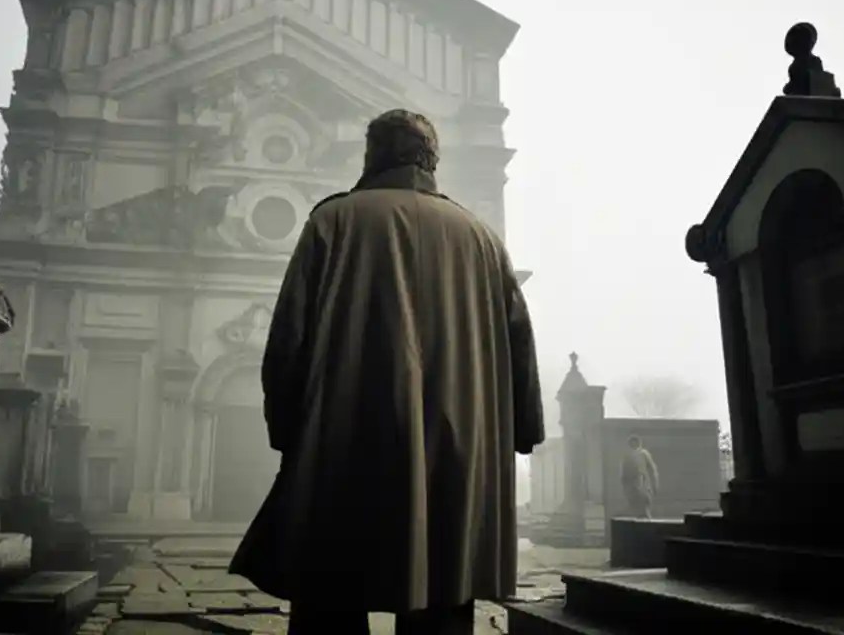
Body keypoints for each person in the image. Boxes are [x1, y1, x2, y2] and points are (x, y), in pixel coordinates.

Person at [229, 109, 544, 635]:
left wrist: (286, 429)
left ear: (372, 155)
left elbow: (287, 341)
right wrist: (524, 430)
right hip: (456, 451)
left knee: (330, 596)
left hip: (344, 443)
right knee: (443, 599)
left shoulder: (333, 221)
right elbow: (520, 345)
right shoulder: (483, 239)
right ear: (432, 160)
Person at [620, 435, 660, 519]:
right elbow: (624, 474)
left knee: (644, 508)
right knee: (636, 510)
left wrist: (655, 485)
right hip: (632, 488)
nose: (633, 445)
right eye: (631, 443)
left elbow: (652, 470)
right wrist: (625, 488)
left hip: (643, 486)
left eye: (635, 443)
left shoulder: (644, 454)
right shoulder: (627, 456)